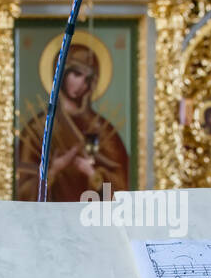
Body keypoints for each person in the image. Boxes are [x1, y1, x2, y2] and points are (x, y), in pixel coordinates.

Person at [16, 44, 128, 201]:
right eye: (76, 74)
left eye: (87, 79)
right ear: (62, 74)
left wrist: (93, 174)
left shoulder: (102, 129)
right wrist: (53, 171)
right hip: (51, 220)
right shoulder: (38, 129)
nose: (81, 84)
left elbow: (122, 188)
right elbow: (23, 191)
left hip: (93, 219)